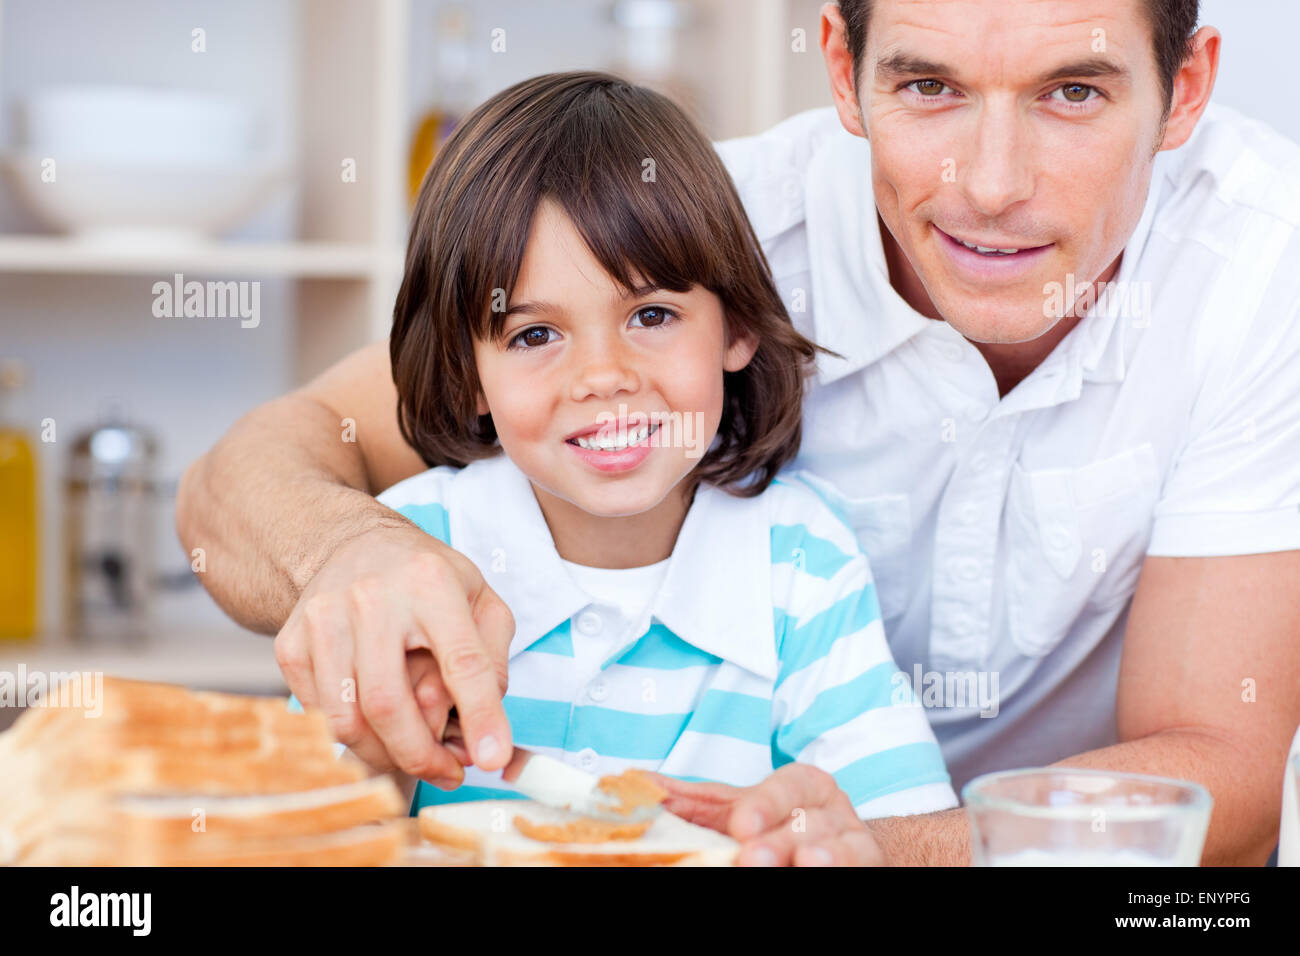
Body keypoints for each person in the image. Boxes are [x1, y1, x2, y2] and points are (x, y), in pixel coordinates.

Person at [177, 0, 1300, 865]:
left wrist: (865, 848)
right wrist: (348, 551)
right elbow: (250, 476)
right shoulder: (689, 229)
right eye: (927, 84)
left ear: (1186, 86)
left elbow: (1219, 788)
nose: (991, 185)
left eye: (1071, 92)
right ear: (841, 69)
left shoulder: (1257, 264)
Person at [289, 71, 957, 818]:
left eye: (651, 316)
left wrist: (827, 837)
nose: (603, 377)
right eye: (535, 335)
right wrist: (384, 755)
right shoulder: (406, 554)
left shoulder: (801, 564)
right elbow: (301, 835)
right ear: (468, 374)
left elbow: (902, 831)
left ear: (736, 326)